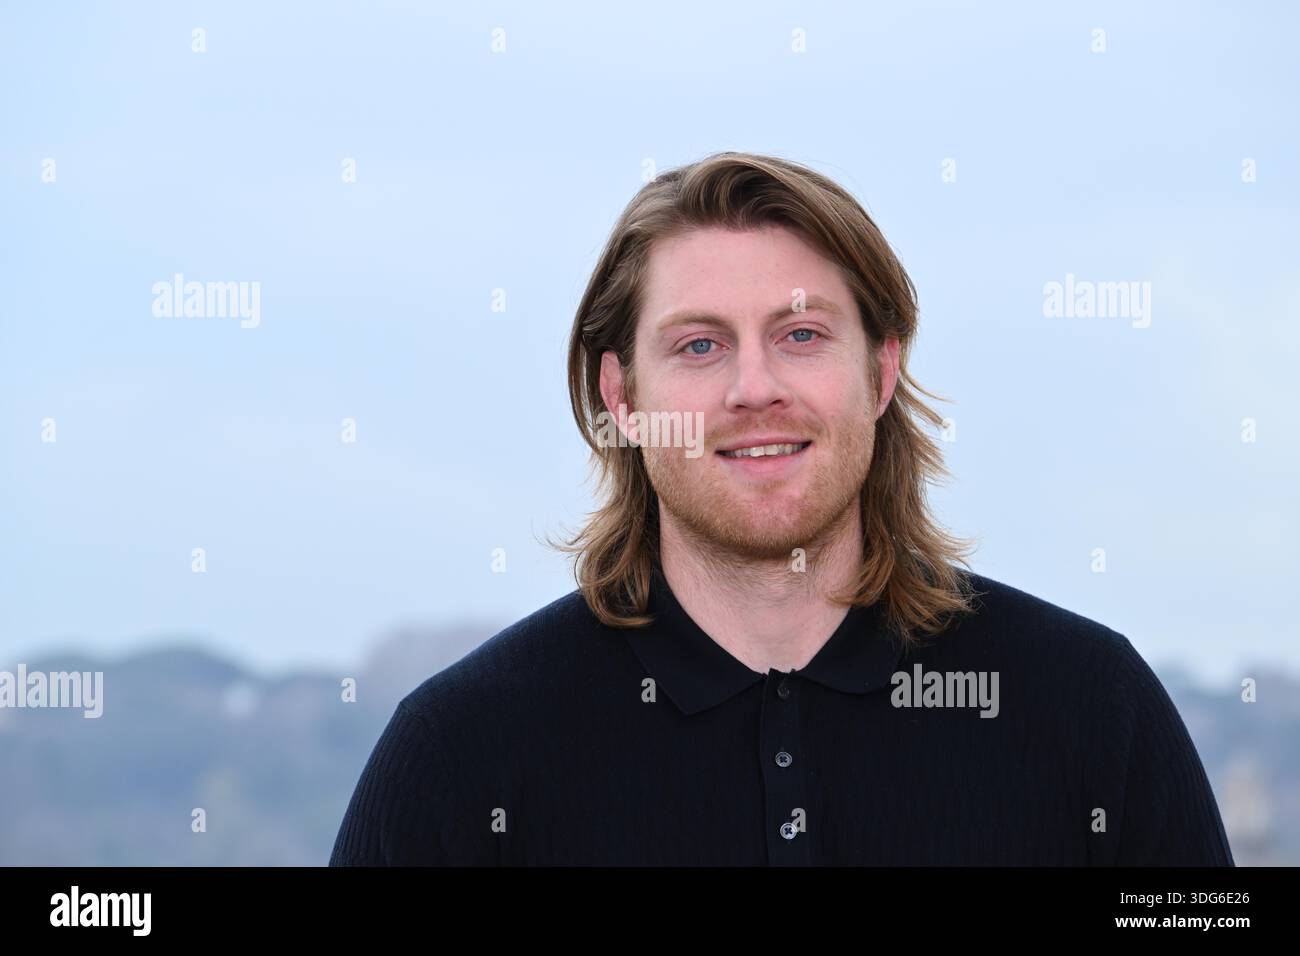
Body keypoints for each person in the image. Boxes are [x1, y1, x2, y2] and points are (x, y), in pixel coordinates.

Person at [329, 151, 1233, 866]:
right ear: (623, 395)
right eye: (699, 345)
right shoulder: (461, 754)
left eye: (801, 335)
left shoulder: (1090, 712)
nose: (753, 389)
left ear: (880, 371)